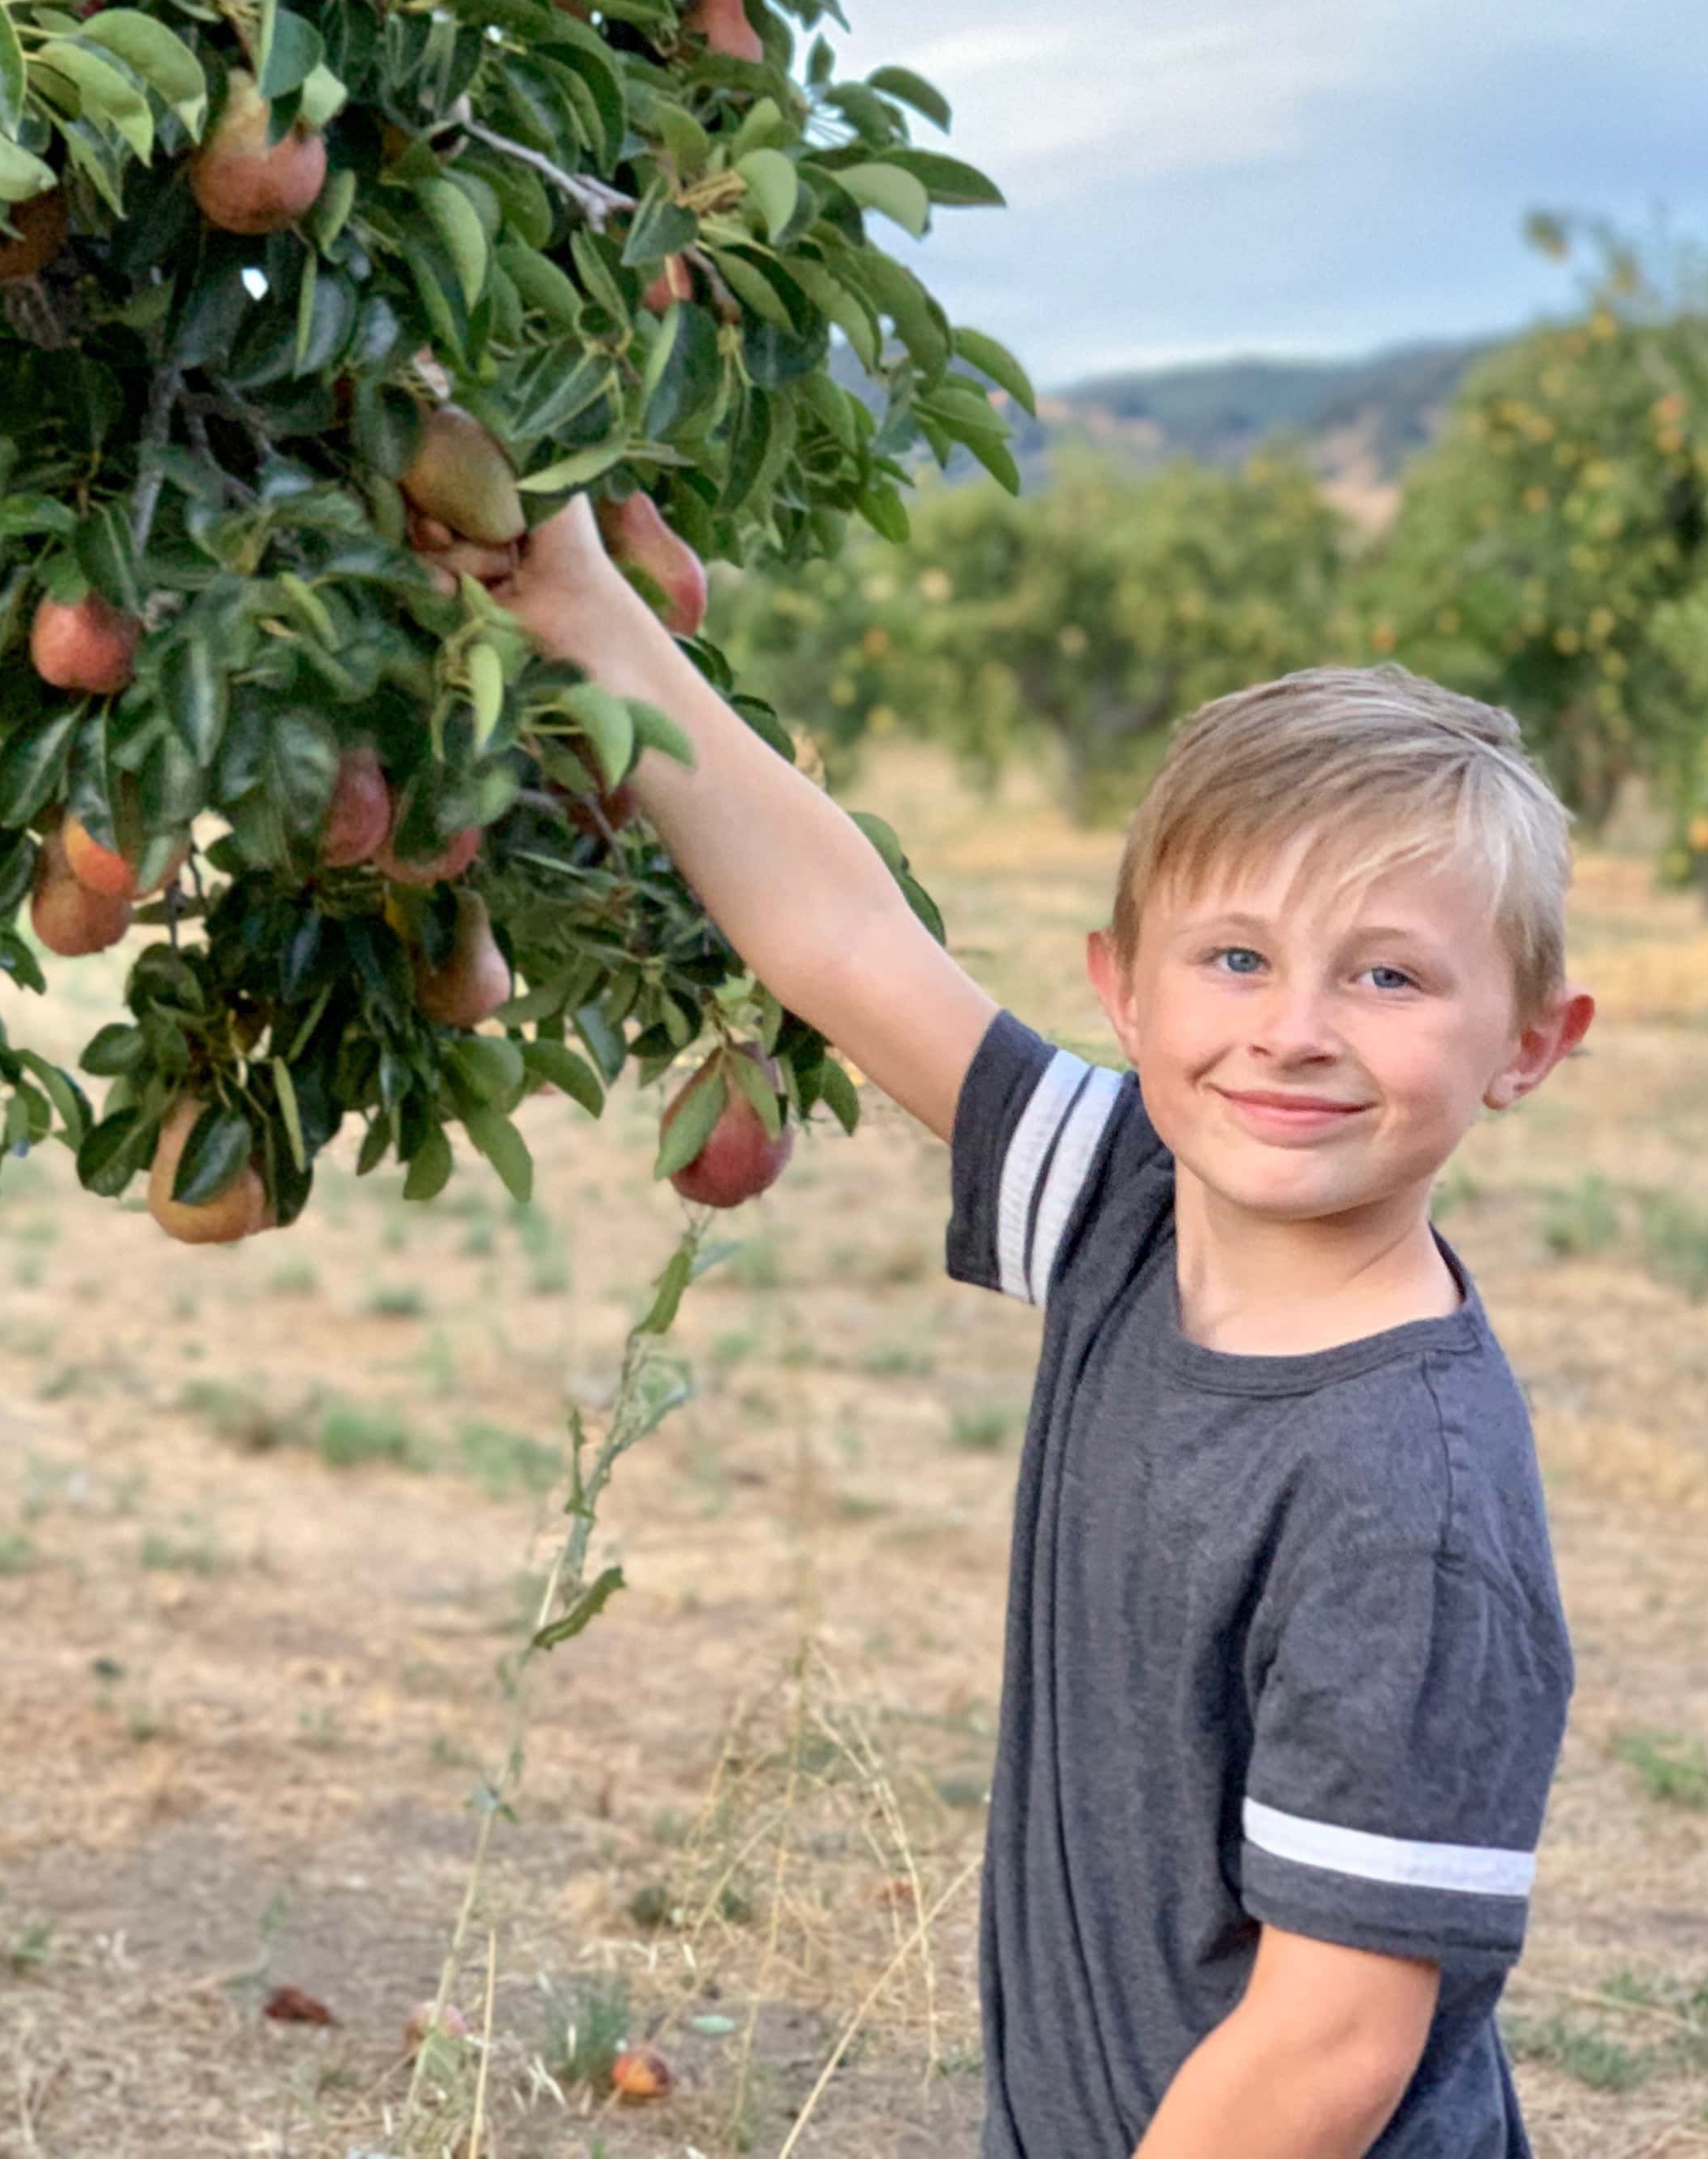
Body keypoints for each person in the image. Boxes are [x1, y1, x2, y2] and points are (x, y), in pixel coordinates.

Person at [496, 498, 1594, 2158]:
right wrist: (587, 608)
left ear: (1530, 1042)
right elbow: (846, 943)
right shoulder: (1136, 1209)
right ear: (1125, 990)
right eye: (1236, 958)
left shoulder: (1407, 1507)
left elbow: (1327, 2044)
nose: (1292, 1034)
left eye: (1388, 979)